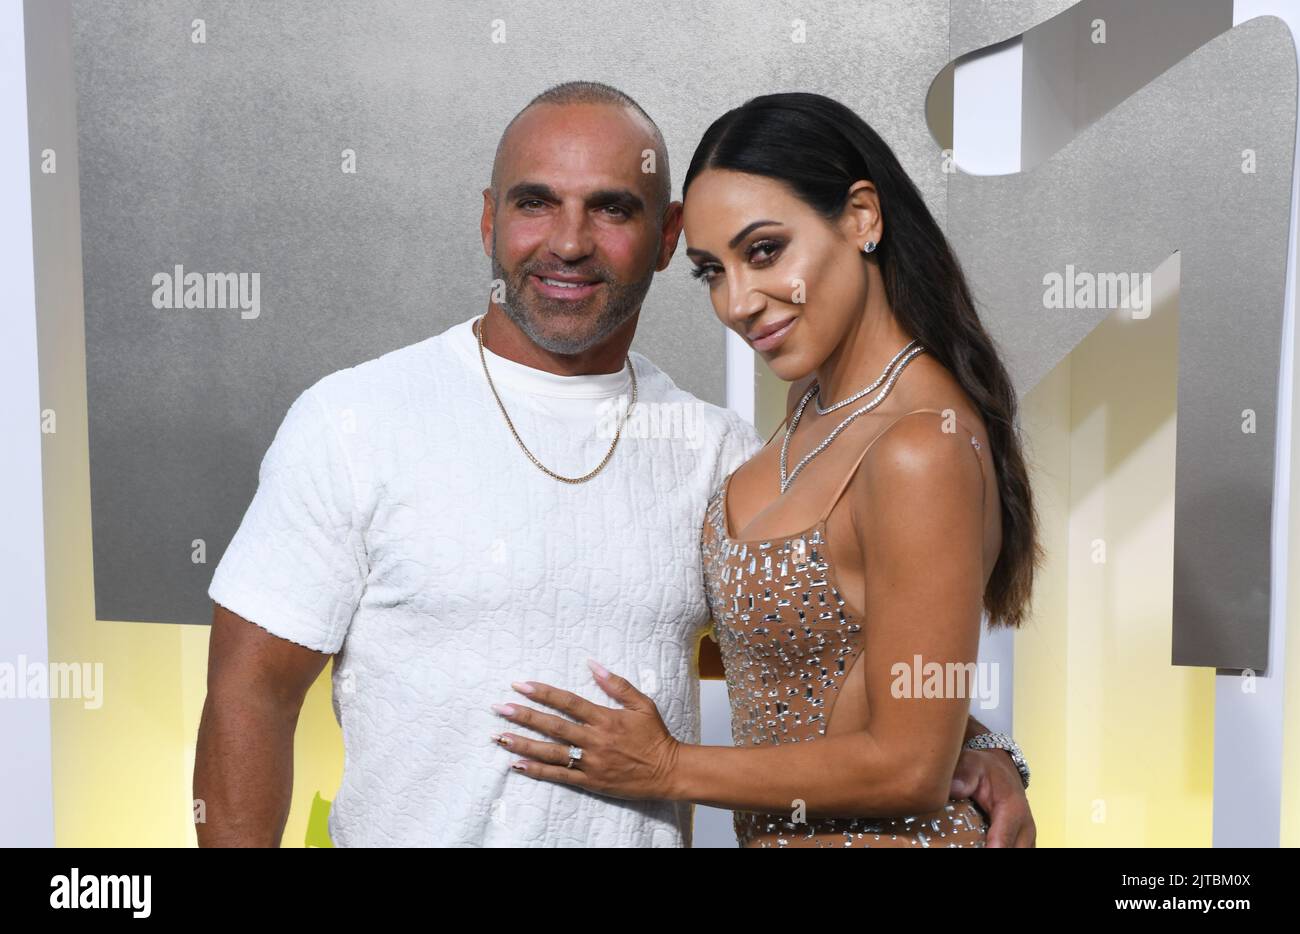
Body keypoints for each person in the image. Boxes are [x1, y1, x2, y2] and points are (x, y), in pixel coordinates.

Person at [193, 82, 1035, 847]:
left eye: (611, 209)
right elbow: (250, 694)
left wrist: (973, 747)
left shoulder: (719, 450)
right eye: (535, 204)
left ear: (664, 237)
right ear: (489, 220)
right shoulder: (355, 420)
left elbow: (813, 640)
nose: (568, 243)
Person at [490, 91, 1043, 847]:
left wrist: (666, 767)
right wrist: (980, 743)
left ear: (862, 218)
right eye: (710, 271)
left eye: (764, 251)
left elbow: (908, 768)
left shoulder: (921, 446)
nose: (738, 301)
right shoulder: (815, 411)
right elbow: (819, 653)